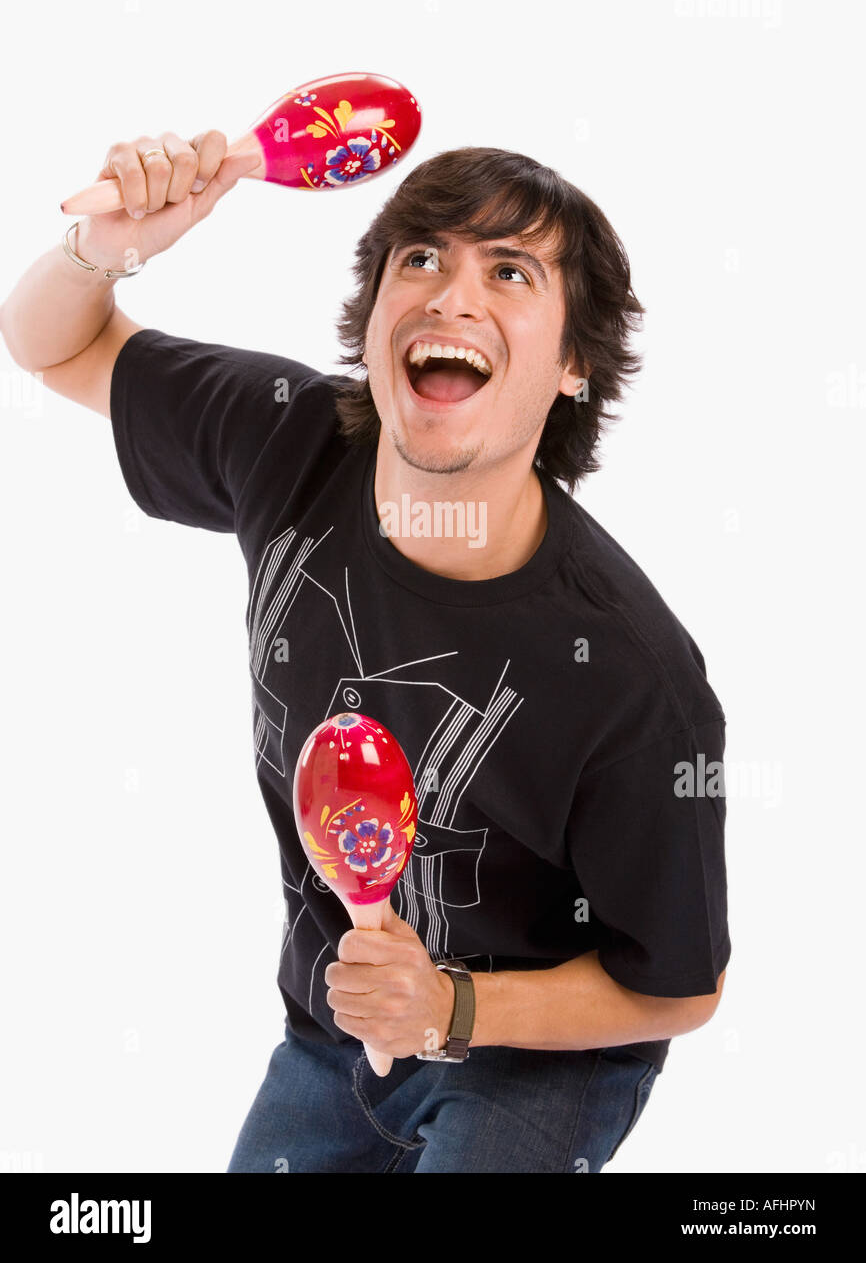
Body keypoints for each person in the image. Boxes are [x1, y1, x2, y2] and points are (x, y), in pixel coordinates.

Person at [1, 131, 730, 1174]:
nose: (450, 295)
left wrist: (448, 1006)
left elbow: (678, 987)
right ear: (375, 309)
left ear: (572, 362)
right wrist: (105, 248)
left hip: (535, 1053)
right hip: (332, 1022)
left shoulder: (631, 677)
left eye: (509, 271)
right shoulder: (286, 439)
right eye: (420, 257)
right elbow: (52, 347)